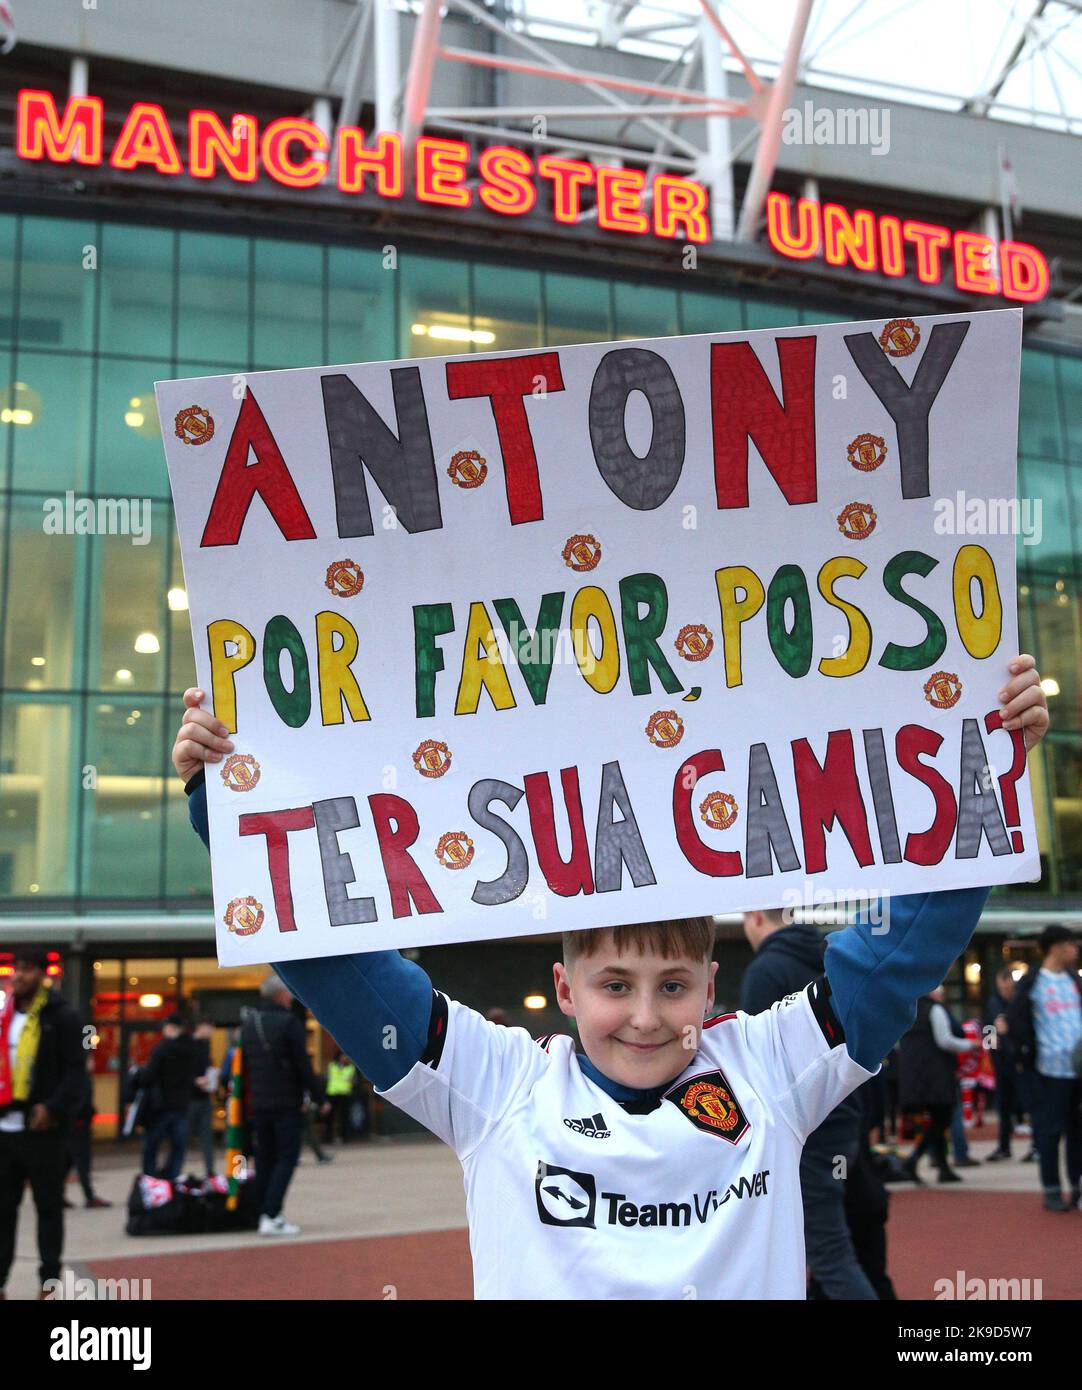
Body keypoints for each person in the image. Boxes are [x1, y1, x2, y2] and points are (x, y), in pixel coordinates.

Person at [172, 654, 1049, 1297]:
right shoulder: (501, 1083)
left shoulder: (771, 1067)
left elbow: (903, 949)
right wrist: (231, 803)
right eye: (614, 985)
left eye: (673, 985)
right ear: (563, 990)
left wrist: (987, 760)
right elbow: (340, 969)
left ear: (711, 985)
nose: (644, 1016)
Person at [741, 905, 876, 1299]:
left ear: (755, 917)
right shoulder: (828, 964)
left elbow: (757, 1066)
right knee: (832, 1244)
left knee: (828, 1253)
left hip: (805, 1133)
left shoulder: (765, 971)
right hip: (844, 1120)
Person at [0, 946, 85, 1300]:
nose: (19, 976)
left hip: (43, 1132)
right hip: (4, 1131)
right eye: (15, 969)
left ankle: (48, 1282)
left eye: (27, 969)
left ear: (42, 974)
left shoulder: (62, 1016)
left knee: (48, 1209)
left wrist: (52, 1107)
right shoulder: (3, 1015)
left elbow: (75, 1071)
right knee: (3, 1212)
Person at [241, 975, 329, 1236]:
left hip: (259, 1102)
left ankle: (261, 1211)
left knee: (264, 1157)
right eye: (288, 992)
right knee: (287, 1157)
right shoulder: (289, 1023)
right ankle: (272, 1213)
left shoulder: (249, 1025)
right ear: (280, 995)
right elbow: (302, 1065)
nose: (291, 996)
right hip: (286, 1101)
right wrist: (319, 1098)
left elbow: (242, 1067)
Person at [1006, 925, 1082, 1211]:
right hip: (1048, 1070)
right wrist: (1024, 1055)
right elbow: (1016, 1021)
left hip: (1078, 1069)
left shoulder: (1075, 980)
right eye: (1070, 944)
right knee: (1049, 1132)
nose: (1075, 949)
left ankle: (1077, 1186)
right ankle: (1051, 1188)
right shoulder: (1034, 981)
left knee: (1078, 1131)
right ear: (1055, 947)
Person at [898, 986, 978, 1184]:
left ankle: (941, 1167)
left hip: (913, 1075)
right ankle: (914, 1160)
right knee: (941, 1119)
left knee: (934, 1121)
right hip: (937, 1075)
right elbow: (945, 1041)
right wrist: (971, 1044)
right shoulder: (936, 1009)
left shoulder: (908, 1010)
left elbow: (898, 1044)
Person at [140, 1016, 200, 1184]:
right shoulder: (192, 1049)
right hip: (181, 1104)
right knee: (178, 1146)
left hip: (161, 1105)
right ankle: (172, 1178)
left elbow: (149, 1076)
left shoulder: (162, 1049)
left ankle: (151, 1180)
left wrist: (138, 1078)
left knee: (152, 1145)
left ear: (172, 1028)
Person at [65, 1056, 111, 1210]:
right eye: (90, 1060)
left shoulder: (70, 1077)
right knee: (82, 1162)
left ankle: (59, 1194)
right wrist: (86, 1115)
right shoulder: (83, 1079)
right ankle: (89, 1196)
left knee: (68, 1159)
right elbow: (83, 1104)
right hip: (79, 1125)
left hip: (71, 1124)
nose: (93, 1063)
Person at [186, 1020, 217, 1179]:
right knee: (185, 1134)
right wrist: (194, 1080)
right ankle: (175, 1169)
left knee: (206, 1135)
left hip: (204, 1096)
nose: (212, 1031)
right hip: (190, 1098)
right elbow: (182, 1070)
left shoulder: (206, 1046)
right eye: (210, 1027)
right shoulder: (188, 1045)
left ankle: (210, 1170)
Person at [324, 1048, 357, 1146]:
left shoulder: (351, 1068)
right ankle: (328, 1137)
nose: (344, 1058)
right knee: (330, 1118)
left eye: (346, 1056)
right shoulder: (332, 1066)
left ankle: (345, 1137)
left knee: (344, 1117)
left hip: (344, 1094)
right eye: (343, 1056)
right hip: (332, 1093)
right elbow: (327, 1078)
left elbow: (354, 1081)